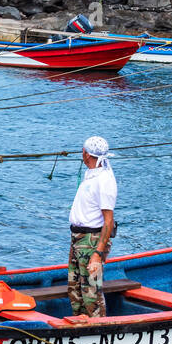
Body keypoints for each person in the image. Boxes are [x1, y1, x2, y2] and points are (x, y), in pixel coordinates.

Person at [67, 135, 118, 318]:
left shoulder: (104, 180)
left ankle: (99, 328)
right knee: (75, 288)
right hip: (78, 238)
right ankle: (80, 324)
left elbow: (108, 220)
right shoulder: (91, 174)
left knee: (91, 292)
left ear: (85, 154)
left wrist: (98, 253)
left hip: (92, 240)